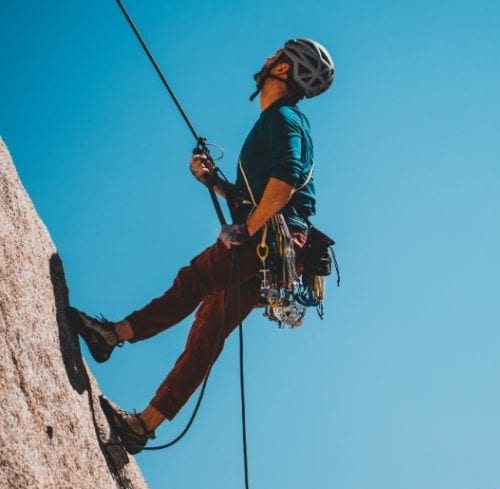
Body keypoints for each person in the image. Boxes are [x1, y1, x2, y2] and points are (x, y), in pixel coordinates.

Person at [68, 38, 335, 455]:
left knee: (194, 280)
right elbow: (264, 193)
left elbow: (284, 183)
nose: (267, 57)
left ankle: (111, 335)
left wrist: (245, 230)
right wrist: (214, 182)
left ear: (283, 69)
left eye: (276, 55)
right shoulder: (281, 119)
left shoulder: (283, 117)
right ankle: (143, 426)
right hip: (282, 251)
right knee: (208, 331)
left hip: (270, 239)